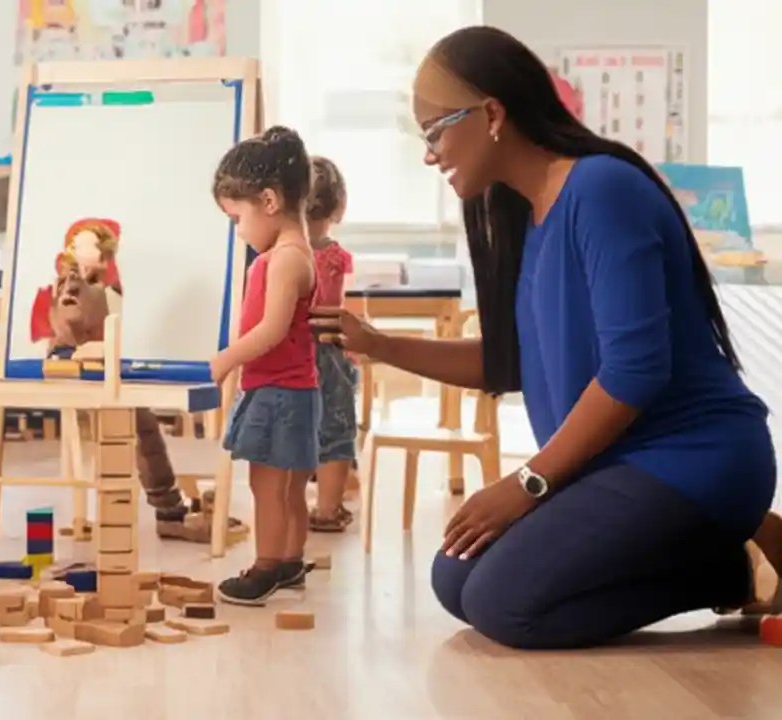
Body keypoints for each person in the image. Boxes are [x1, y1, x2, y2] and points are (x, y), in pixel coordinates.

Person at [310, 26, 780, 649]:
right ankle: (729, 552)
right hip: (614, 467)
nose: (430, 154)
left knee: (503, 603)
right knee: (456, 578)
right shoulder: (525, 215)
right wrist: (380, 344)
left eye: (435, 131)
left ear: (492, 115)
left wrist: (528, 483)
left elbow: (635, 372)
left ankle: (735, 564)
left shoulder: (602, 190)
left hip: (693, 460)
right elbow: (512, 362)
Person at [46, 255, 244, 541]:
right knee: (136, 425)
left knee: (141, 424)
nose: (74, 282)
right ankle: (168, 510)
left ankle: (169, 510)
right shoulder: (73, 300)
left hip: (118, 365)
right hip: (85, 368)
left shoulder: (114, 293)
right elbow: (68, 330)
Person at [210, 126, 319, 605]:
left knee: (267, 485)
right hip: (293, 390)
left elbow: (272, 329)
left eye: (238, 218)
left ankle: (267, 567)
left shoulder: (285, 260)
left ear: (269, 201)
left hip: (278, 391)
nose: (239, 231)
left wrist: (226, 359)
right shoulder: (291, 254)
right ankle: (290, 560)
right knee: (289, 485)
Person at [305, 156, 360, 533]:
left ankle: (290, 506)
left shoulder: (278, 255)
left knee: (292, 428)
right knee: (336, 429)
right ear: (338, 207)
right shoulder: (337, 258)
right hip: (330, 349)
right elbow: (348, 311)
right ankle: (327, 509)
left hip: (292, 350)